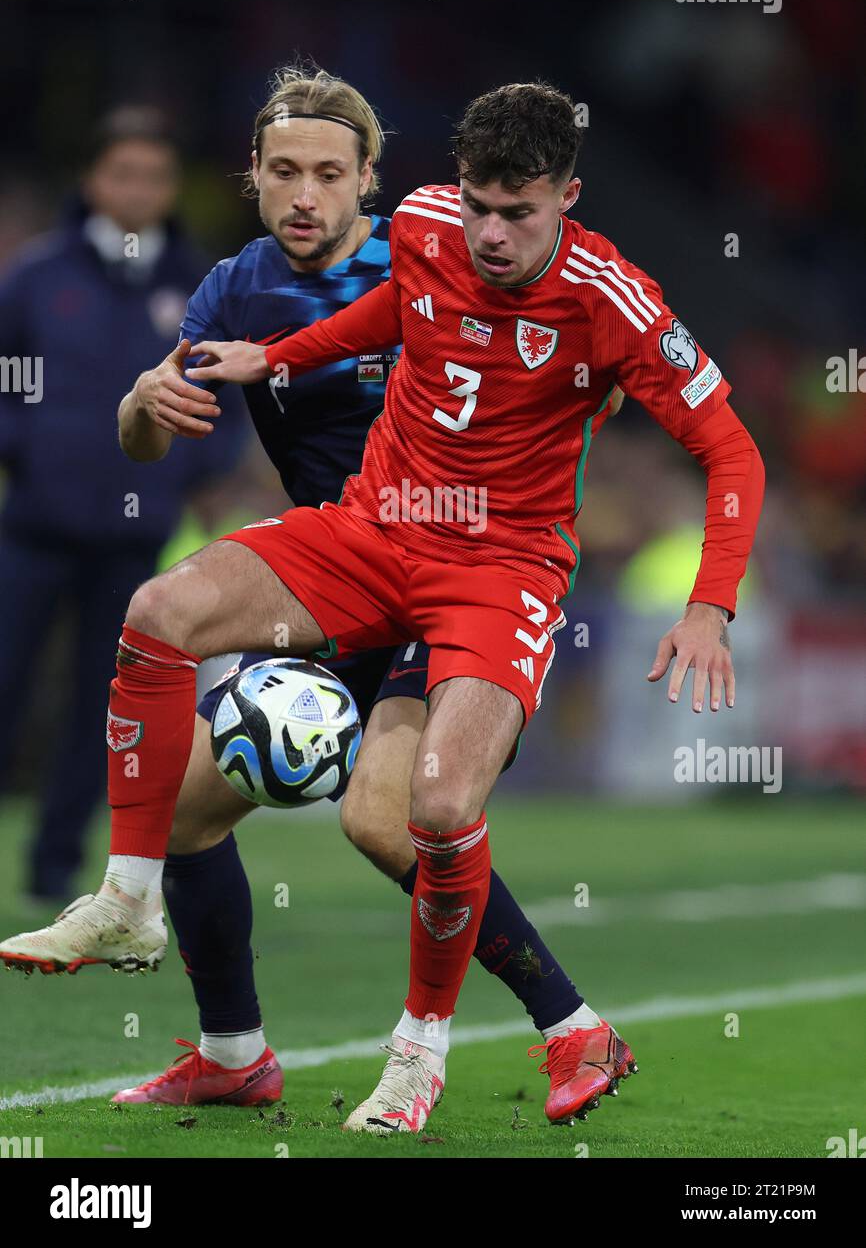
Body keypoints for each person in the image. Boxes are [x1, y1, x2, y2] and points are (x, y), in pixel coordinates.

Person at [1, 81, 764, 1136]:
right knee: (159, 614)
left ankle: (424, 1052)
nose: (489, 234)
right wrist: (274, 356)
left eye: (519, 212)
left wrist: (708, 606)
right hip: (371, 531)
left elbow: (729, 448)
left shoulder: (611, 300)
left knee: (427, 811)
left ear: (568, 198)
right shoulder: (401, 231)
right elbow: (393, 311)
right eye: (478, 206)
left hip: (498, 570)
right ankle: (138, 920)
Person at [0, 106, 240, 901]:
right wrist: (25, 451)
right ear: (93, 179)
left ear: (174, 189)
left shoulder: (199, 286)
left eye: (156, 176)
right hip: (31, 530)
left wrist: (195, 476)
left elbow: (229, 400)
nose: (139, 189)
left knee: (101, 716)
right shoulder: (38, 277)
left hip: (136, 543)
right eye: (124, 172)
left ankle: (53, 872)